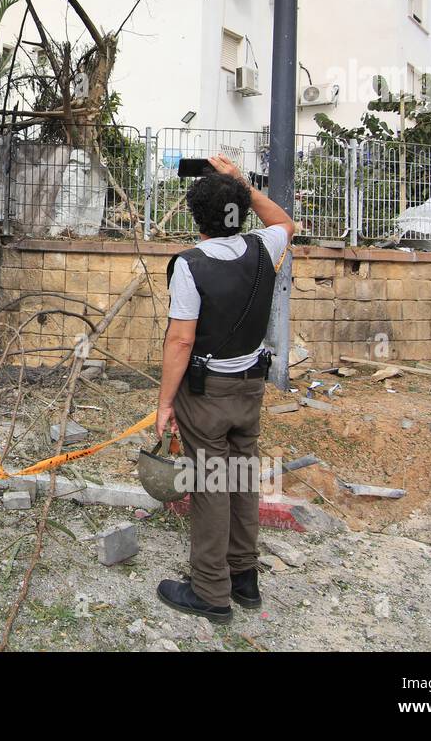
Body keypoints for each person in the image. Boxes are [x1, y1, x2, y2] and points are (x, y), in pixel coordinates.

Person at [154, 153, 294, 623]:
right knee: (241, 477)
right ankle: (243, 578)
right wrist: (242, 183)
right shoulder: (265, 246)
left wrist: (165, 403)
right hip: (249, 391)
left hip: (207, 393)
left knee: (211, 484)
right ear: (240, 211)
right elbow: (283, 220)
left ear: (196, 217)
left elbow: (180, 339)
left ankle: (210, 592)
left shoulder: (190, 265)